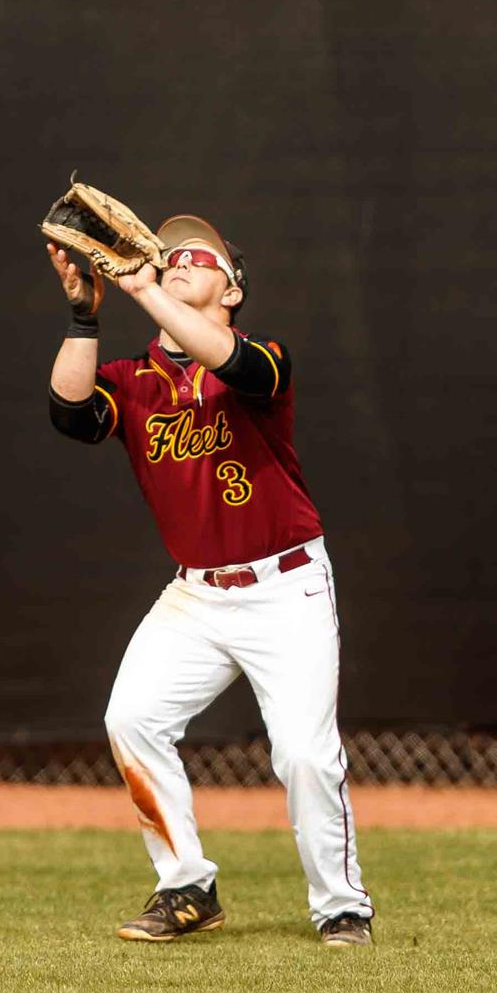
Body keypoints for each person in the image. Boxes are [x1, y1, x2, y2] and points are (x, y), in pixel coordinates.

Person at [44, 214, 373, 948]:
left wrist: (145, 288)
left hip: (286, 587)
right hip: (196, 593)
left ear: (232, 292)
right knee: (131, 718)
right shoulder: (134, 383)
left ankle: (342, 905)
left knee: (302, 754)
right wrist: (83, 314)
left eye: (202, 258)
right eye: (173, 255)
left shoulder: (261, 362)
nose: (182, 259)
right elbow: (69, 412)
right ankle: (187, 884)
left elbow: (235, 365)